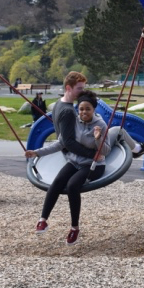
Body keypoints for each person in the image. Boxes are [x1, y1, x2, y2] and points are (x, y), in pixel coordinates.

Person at [26, 89, 108, 245]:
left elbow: (105, 151)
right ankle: (43, 220)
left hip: (93, 166)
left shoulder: (100, 124)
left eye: (88, 109)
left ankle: (74, 228)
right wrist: (36, 153)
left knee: (72, 186)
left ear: (93, 110)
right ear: (78, 109)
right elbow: (60, 144)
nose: (84, 112)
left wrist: (98, 139)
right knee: (58, 182)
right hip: (74, 162)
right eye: (81, 108)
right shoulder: (74, 121)